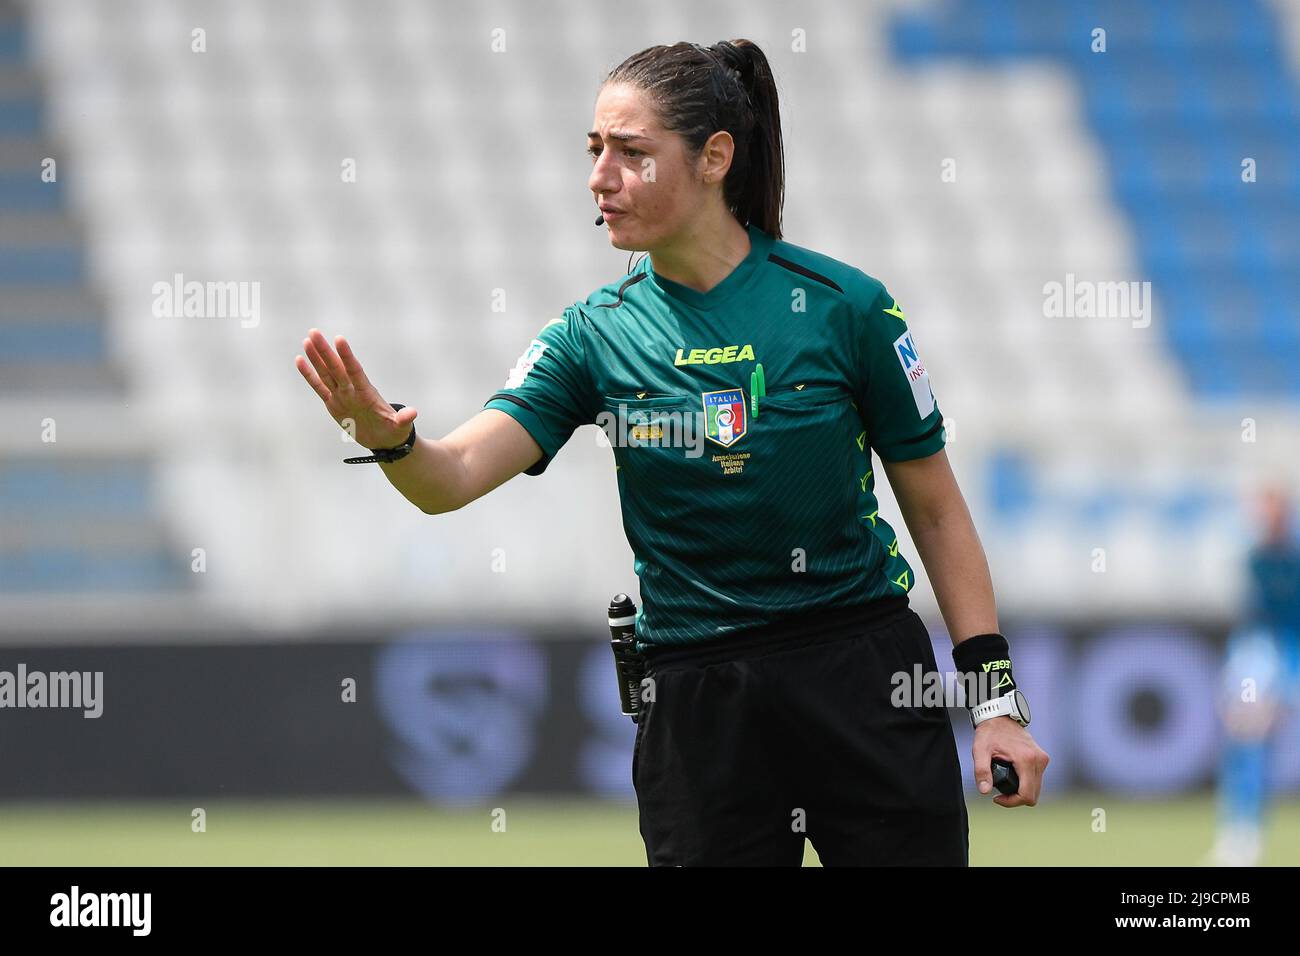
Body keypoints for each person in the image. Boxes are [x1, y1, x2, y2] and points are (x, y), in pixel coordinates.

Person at [295, 38, 1050, 866]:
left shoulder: (848, 309)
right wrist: (392, 440)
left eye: (631, 153)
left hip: (862, 681)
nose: (599, 176)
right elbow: (454, 477)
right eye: (594, 152)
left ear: (715, 158)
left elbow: (936, 510)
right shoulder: (592, 337)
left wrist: (994, 702)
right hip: (698, 708)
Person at [1206, 483, 1300, 866]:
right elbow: (1252, 626)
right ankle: (1241, 834)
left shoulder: (1288, 562)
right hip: (1257, 657)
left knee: (1255, 739)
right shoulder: (1253, 559)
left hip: (1283, 656)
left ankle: (1245, 834)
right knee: (1244, 742)